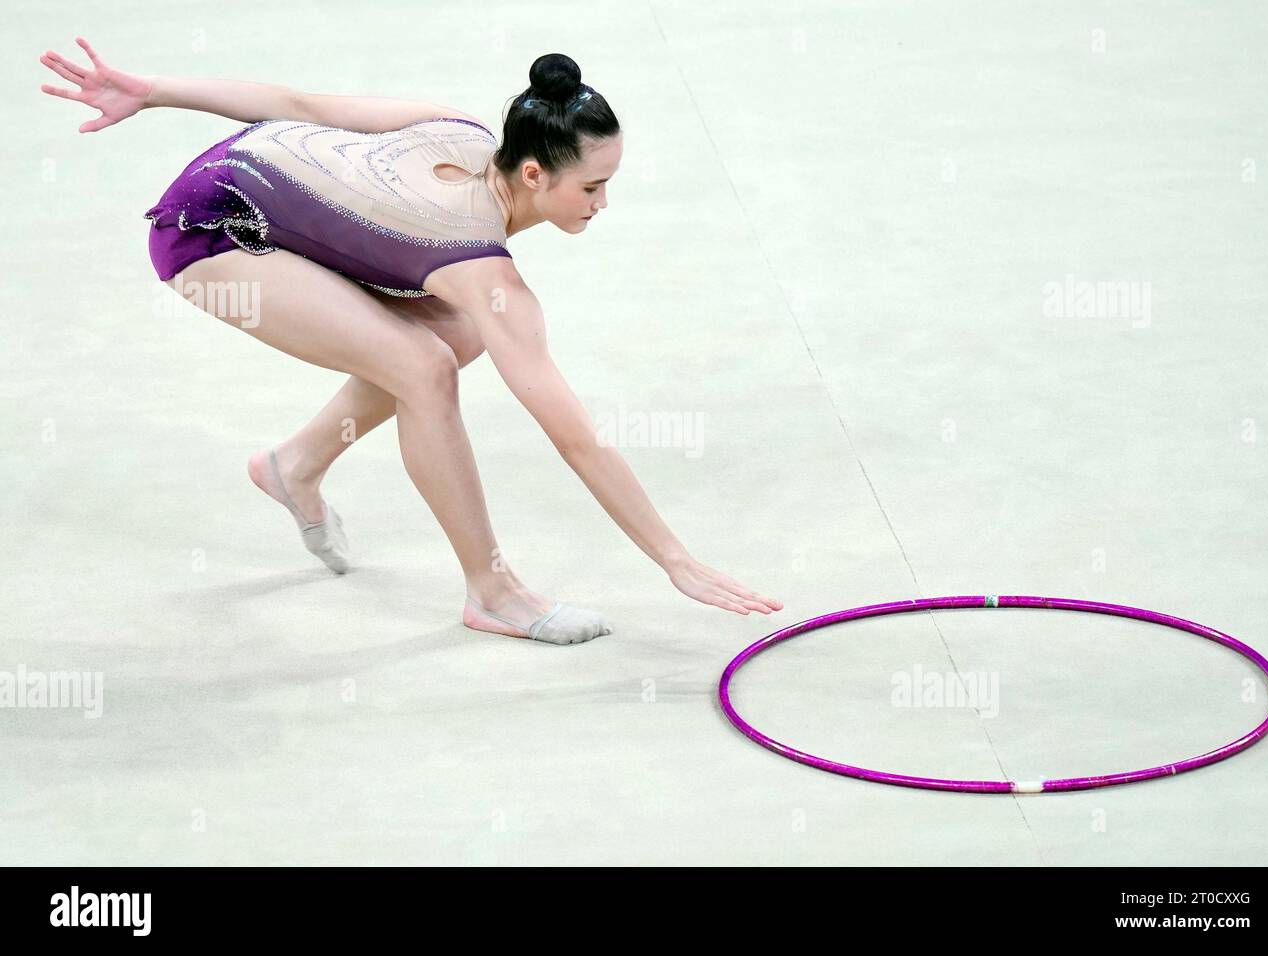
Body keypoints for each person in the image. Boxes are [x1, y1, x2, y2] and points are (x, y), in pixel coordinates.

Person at [39, 38, 784, 645]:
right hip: (211, 235)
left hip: (275, 208)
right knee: (424, 367)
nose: (604, 202)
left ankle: (294, 465)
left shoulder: (458, 130)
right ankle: (492, 591)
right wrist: (675, 561)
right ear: (533, 172)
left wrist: (158, 89)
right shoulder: (482, 267)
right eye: (592, 187)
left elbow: (300, 107)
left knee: (456, 333)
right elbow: (579, 440)